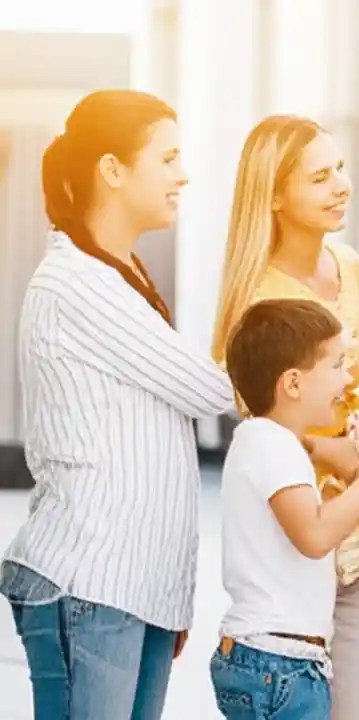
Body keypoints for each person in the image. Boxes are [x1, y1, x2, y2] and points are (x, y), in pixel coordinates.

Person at [0, 90, 236, 719]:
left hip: (132, 590)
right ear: (112, 169)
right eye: (168, 158)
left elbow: (156, 439)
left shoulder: (118, 274)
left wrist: (168, 599)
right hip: (90, 585)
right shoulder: (79, 284)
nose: (183, 174)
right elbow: (212, 389)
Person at [210, 114, 359, 720]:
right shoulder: (255, 296)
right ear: (274, 196)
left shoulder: (346, 263)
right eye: (320, 177)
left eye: (340, 169)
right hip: (301, 531)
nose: (341, 186)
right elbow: (260, 425)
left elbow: (355, 386)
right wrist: (341, 458)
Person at [210, 298, 359, 719]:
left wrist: (357, 471)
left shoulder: (265, 442)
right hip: (279, 665)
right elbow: (314, 536)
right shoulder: (273, 444)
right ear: (293, 383)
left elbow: (302, 527)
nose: (347, 379)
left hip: (268, 659)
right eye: (336, 365)